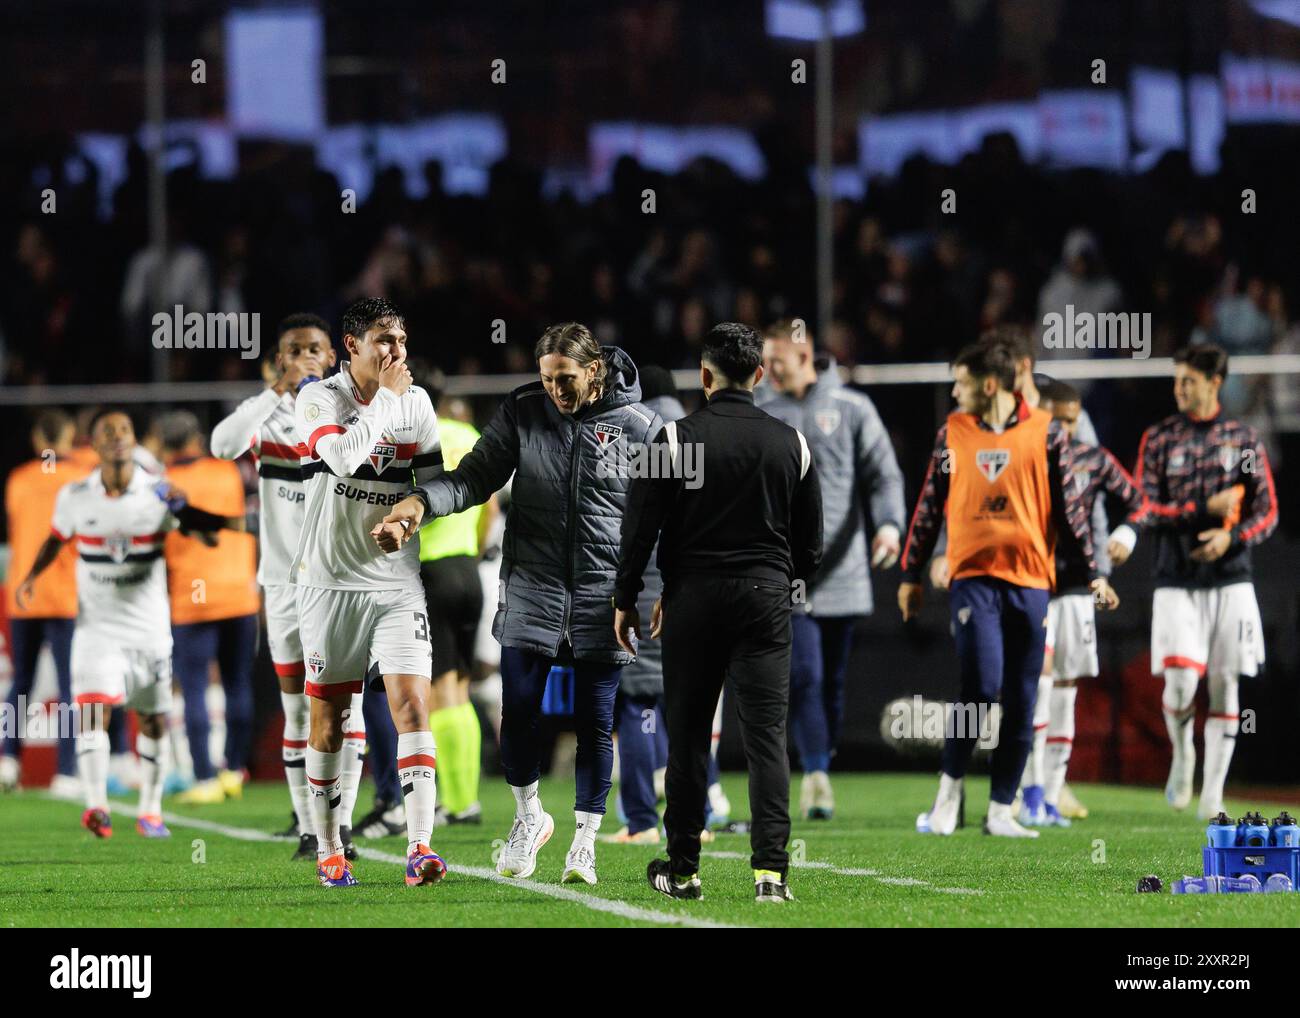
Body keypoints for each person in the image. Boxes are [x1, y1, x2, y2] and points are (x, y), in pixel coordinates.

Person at [373, 322, 662, 886]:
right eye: (548, 378)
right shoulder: (525, 410)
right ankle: (530, 817)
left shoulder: (641, 428)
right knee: (520, 712)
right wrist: (419, 503)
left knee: (595, 723)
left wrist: (659, 586)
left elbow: (665, 517)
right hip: (532, 586)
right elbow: (474, 479)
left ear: (595, 370)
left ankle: (585, 842)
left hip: (605, 594)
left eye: (567, 378)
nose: (556, 389)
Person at [614, 322, 823, 904]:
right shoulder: (793, 443)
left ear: (704, 377)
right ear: (759, 376)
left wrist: (627, 599)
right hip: (765, 600)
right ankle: (771, 876)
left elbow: (639, 531)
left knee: (685, 741)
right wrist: (785, 585)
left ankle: (683, 870)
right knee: (766, 742)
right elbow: (811, 545)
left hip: (694, 601)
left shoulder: (673, 440)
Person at [899, 339, 1115, 839]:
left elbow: (1071, 512)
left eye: (962, 382)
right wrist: (912, 574)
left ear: (989, 385)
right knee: (981, 682)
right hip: (974, 579)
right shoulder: (952, 432)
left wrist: (1093, 573)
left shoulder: (1045, 434)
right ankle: (947, 798)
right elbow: (929, 507)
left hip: (1032, 581)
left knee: (1022, 695)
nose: (955, 391)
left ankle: (1001, 809)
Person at [15, 409, 238, 838]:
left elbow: (208, 538)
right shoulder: (75, 495)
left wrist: (184, 507)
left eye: (125, 431)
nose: (117, 437)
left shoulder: (157, 492)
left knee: (151, 719)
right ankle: (96, 805)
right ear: (93, 444)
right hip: (97, 630)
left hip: (149, 630)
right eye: (108, 432)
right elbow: (56, 539)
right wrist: (30, 576)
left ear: (134, 441)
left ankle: (150, 810)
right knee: (92, 710)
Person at [292, 297, 446, 888]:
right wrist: (384, 399)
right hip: (329, 584)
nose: (396, 352)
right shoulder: (318, 398)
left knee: (411, 704)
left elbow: (432, 490)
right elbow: (341, 458)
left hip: (396, 582)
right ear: (351, 345)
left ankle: (420, 847)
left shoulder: (418, 403)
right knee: (329, 719)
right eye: (383, 339)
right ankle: (331, 847)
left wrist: (406, 521)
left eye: (401, 339)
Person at [759, 320, 905, 820]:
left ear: (804, 355)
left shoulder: (852, 407)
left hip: (844, 572)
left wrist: (889, 525)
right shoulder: (762, 409)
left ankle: (823, 758)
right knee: (804, 674)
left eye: (775, 360)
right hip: (788, 571)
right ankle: (817, 774)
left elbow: (884, 474)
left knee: (833, 682)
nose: (768, 369)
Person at [210, 313, 337, 858]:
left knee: (338, 710)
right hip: (282, 585)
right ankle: (310, 830)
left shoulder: (349, 411)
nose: (306, 356)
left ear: (334, 357)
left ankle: (343, 825)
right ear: (280, 359)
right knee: (298, 712)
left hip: (338, 583)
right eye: (294, 350)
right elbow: (221, 445)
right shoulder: (267, 416)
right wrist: (275, 391)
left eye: (315, 348)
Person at [1132, 344, 1277, 819]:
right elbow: (1145, 507)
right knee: (1178, 686)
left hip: (1230, 578)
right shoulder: (1159, 439)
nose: (1178, 389)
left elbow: (1267, 510)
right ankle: (1182, 755)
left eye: (1188, 381)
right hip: (1177, 578)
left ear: (1215, 381)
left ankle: (1213, 793)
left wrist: (1231, 537)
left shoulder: (1244, 440)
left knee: (1225, 682)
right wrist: (1200, 512)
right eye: (1176, 380)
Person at [1025, 381, 1147, 826]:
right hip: (1032, 585)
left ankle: (1052, 796)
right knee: (1036, 688)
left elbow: (1138, 501)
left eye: (1075, 420)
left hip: (1076, 589)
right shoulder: (1026, 455)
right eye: (1061, 420)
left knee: (1063, 694)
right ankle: (1030, 791)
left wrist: (1125, 534)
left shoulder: (1091, 460)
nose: (1069, 428)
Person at [154, 411, 260, 808]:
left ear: (164, 443)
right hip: (238, 592)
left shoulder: (161, 484)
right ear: (198, 439)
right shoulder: (230, 472)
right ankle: (233, 769)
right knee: (237, 684)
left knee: (195, 688)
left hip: (191, 597)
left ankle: (204, 775)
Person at [1, 410, 92, 797]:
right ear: (70, 435)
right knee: (71, 686)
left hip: (23, 594)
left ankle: (8, 761)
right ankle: (67, 772)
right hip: (69, 595)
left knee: (20, 683)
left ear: (38, 440)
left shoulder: (18, 480)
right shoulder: (80, 480)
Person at [419, 390, 489, 827]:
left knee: (438, 689)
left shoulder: (422, 435)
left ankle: (456, 803)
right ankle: (468, 799)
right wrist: (474, 556)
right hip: (468, 568)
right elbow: (490, 507)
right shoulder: (474, 437)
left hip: (433, 569)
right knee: (461, 687)